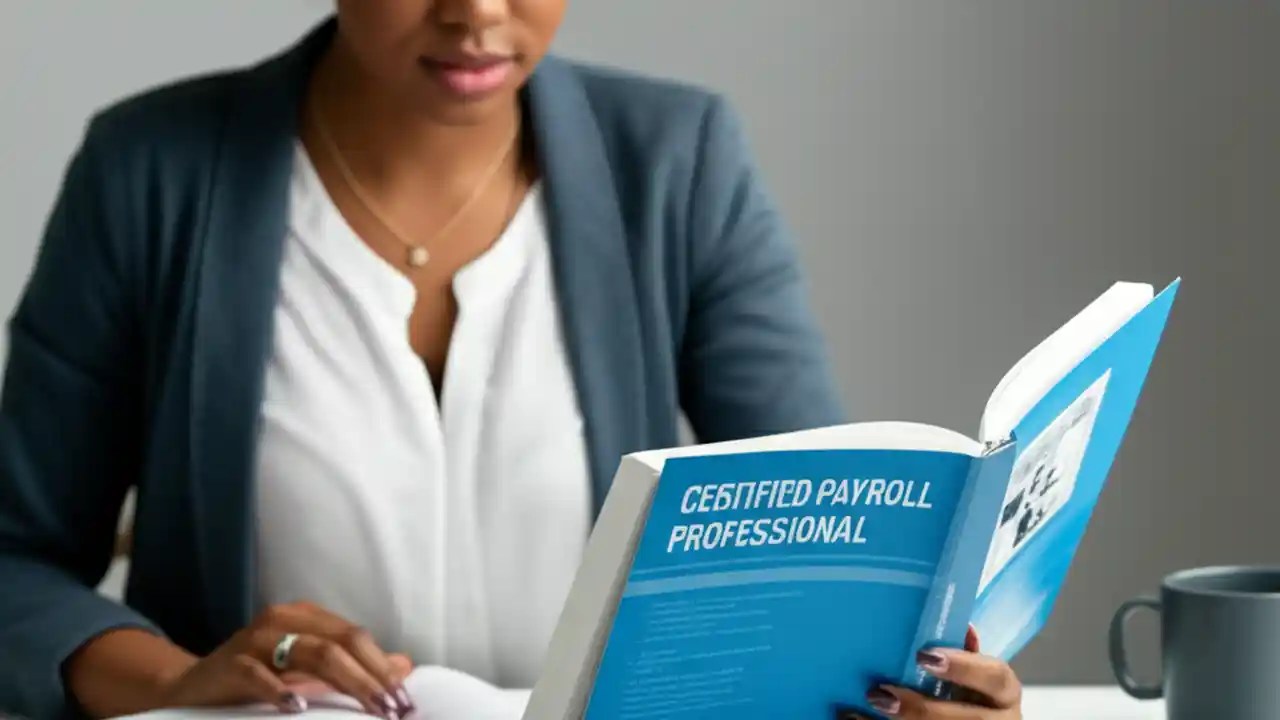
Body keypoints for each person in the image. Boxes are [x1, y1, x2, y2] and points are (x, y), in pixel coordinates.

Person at [0, 3, 1024, 719]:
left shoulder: (678, 161)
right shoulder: (152, 171)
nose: (477, 12)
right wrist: (174, 682)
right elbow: (16, 560)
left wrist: (927, 687)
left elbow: (833, 531)